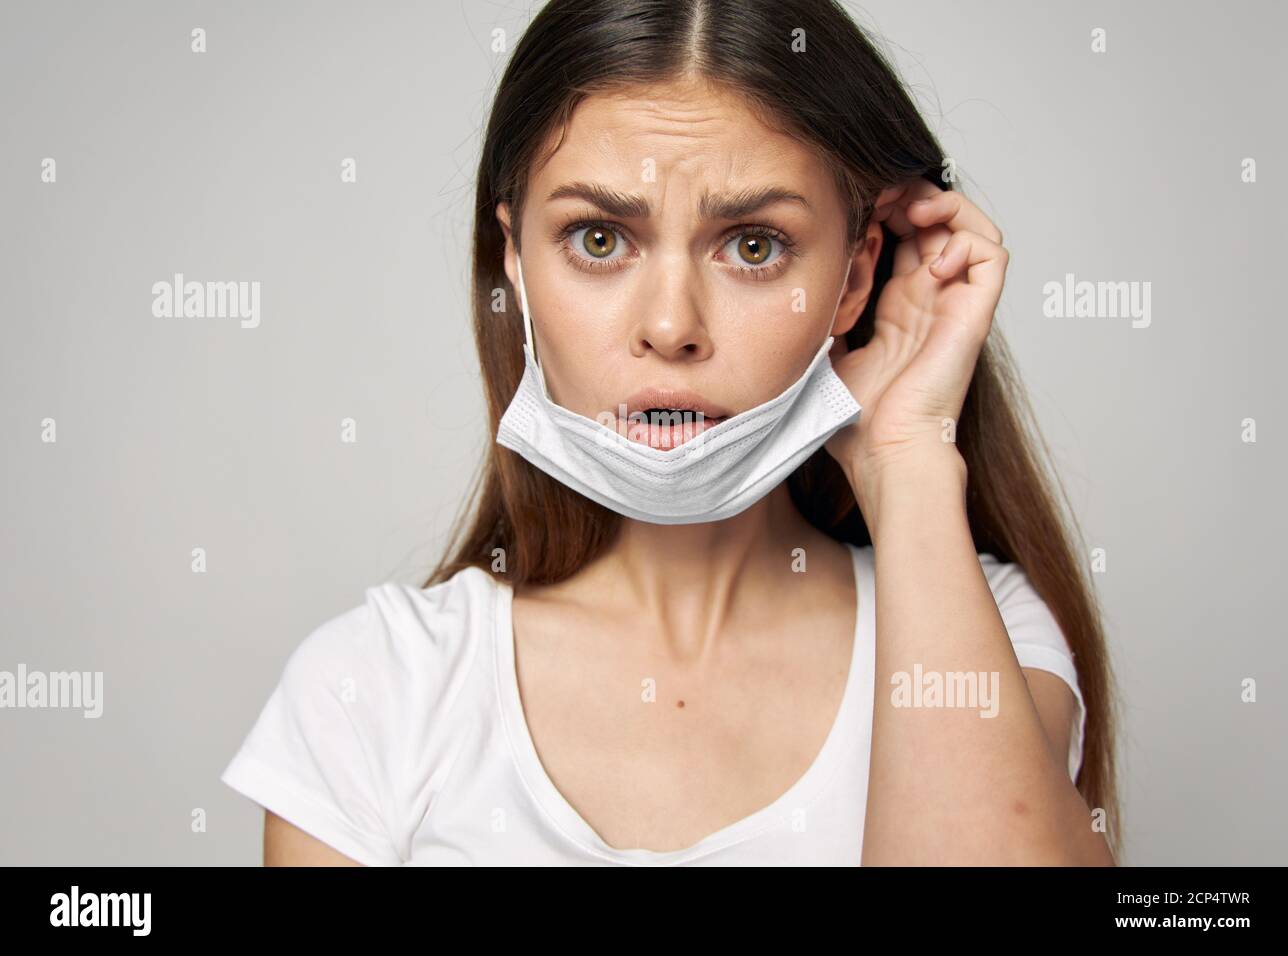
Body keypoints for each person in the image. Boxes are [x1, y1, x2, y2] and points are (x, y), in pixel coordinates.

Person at [221, 0, 1118, 866]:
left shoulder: (979, 628)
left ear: (853, 278)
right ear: (516, 264)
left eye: (755, 246)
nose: (670, 325)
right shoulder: (373, 687)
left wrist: (908, 455)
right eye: (600, 239)